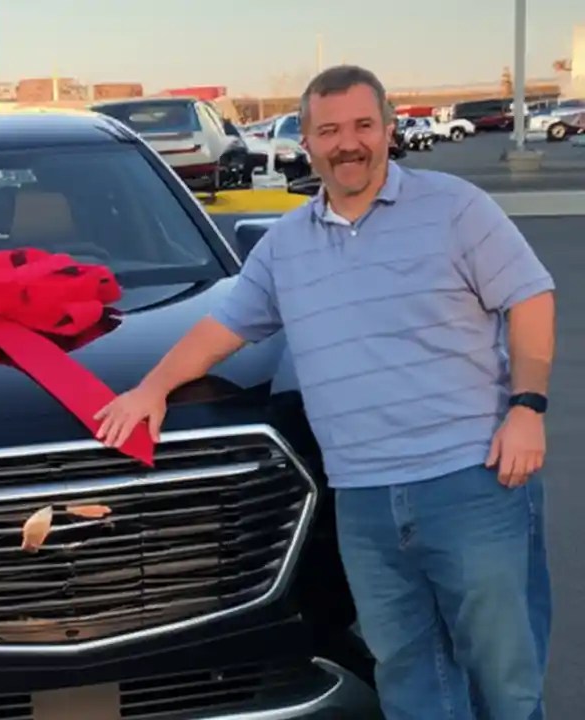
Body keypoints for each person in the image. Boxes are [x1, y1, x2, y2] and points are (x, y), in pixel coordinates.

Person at [95, 66, 554, 720]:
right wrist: (153, 387)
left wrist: (527, 408)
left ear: (389, 130)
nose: (349, 143)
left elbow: (530, 297)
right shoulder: (286, 247)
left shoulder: (455, 208)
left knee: (504, 674)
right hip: (364, 501)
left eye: (364, 126)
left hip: (472, 478)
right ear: (305, 142)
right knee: (410, 678)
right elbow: (223, 328)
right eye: (330, 130)